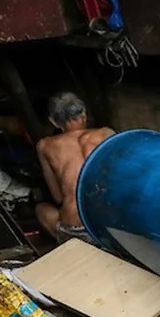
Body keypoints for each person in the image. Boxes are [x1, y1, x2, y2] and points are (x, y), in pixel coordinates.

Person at [34, 92, 115, 244]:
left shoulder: (45, 146)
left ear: (54, 122)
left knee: (41, 209)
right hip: (111, 226)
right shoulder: (106, 134)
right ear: (84, 112)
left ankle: (74, 246)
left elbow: (57, 197)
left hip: (77, 229)